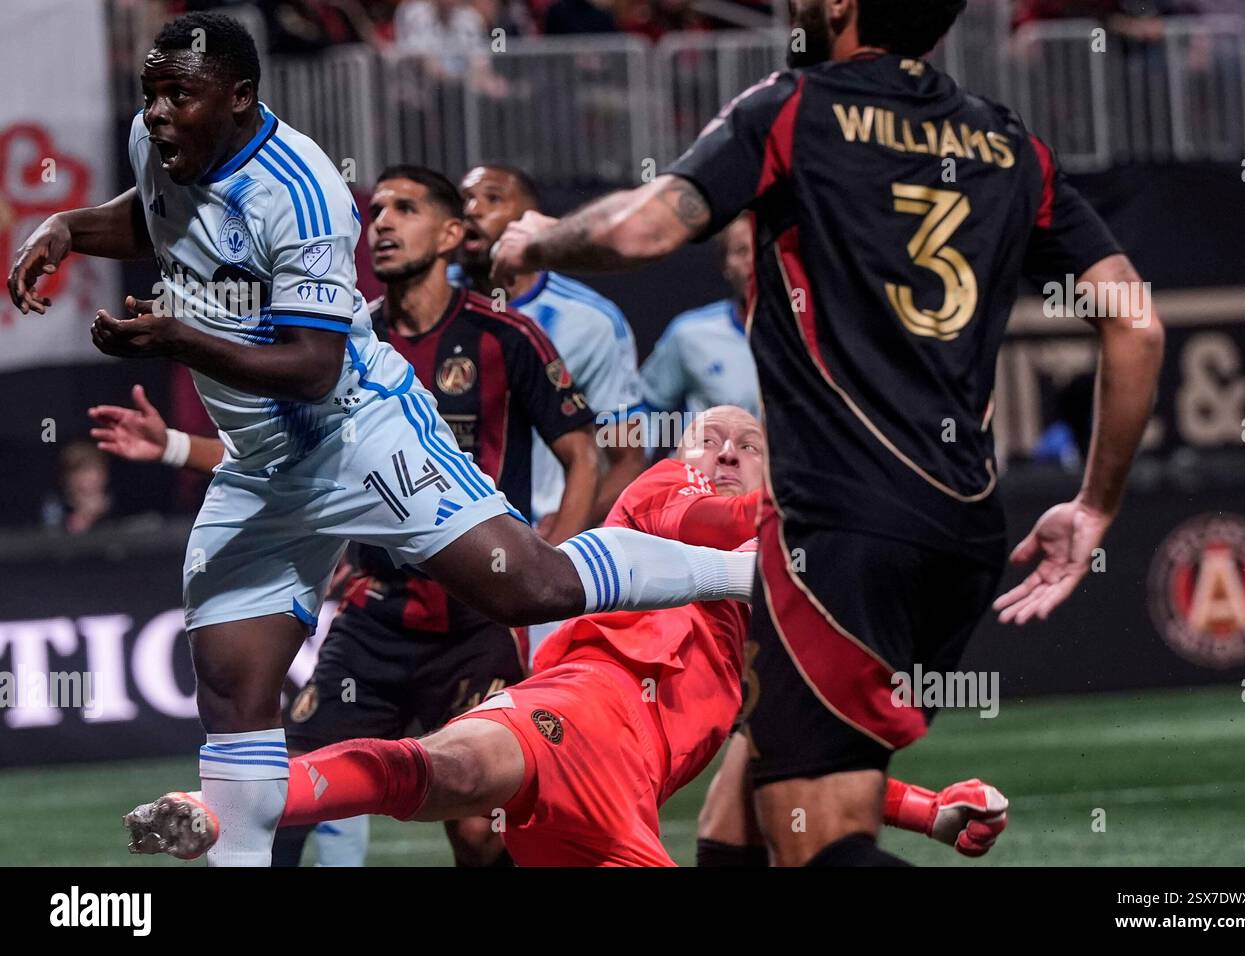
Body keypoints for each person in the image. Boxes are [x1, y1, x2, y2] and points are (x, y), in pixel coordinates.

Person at [8, 11, 752, 866]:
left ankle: (748, 575)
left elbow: (315, 367)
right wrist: (69, 228)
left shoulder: (302, 189)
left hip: (358, 437)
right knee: (233, 687)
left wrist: (178, 338)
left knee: (529, 586)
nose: (160, 113)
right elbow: (155, 216)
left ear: (242, 97)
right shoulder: (160, 138)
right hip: (263, 467)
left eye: (182, 95)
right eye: (152, 95)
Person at [490, 0, 1165, 865]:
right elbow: (1136, 324)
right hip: (962, 531)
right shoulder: (1007, 143)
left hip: (842, 528)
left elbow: (641, 227)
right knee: (749, 810)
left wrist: (545, 235)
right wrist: (1095, 505)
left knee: (819, 836)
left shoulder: (794, 108)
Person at [125, 406, 1010, 865]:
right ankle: (234, 804)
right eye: (713, 440)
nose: (727, 451)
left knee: (457, 790)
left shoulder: (769, 630)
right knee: (450, 768)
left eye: (750, 443)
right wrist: (859, 495)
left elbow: (795, 764)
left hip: (621, 807)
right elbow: (739, 519)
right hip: (576, 715)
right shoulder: (670, 496)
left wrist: (931, 813)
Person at [89, 164, 601, 867]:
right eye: (379, 207)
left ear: (452, 235)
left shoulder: (502, 337)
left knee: (482, 829)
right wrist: (174, 444)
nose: (383, 222)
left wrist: (545, 570)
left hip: (476, 624)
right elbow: (271, 459)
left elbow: (585, 456)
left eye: (407, 208)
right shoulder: (333, 335)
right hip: (374, 618)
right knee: (279, 793)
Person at [460, 163, 645, 528]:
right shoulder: (434, 306)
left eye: (492, 199)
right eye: (463, 200)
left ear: (529, 221)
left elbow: (628, 460)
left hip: (537, 536)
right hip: (434, 544)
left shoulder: (591, 321)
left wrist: (564, 528)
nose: (472, 210)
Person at [639, 214, 760, 420]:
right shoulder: (690, 335)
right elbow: (645, 411)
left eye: (760, 249)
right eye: (741, 251)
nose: (752, 261)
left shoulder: (812, 338)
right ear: (725, 266)